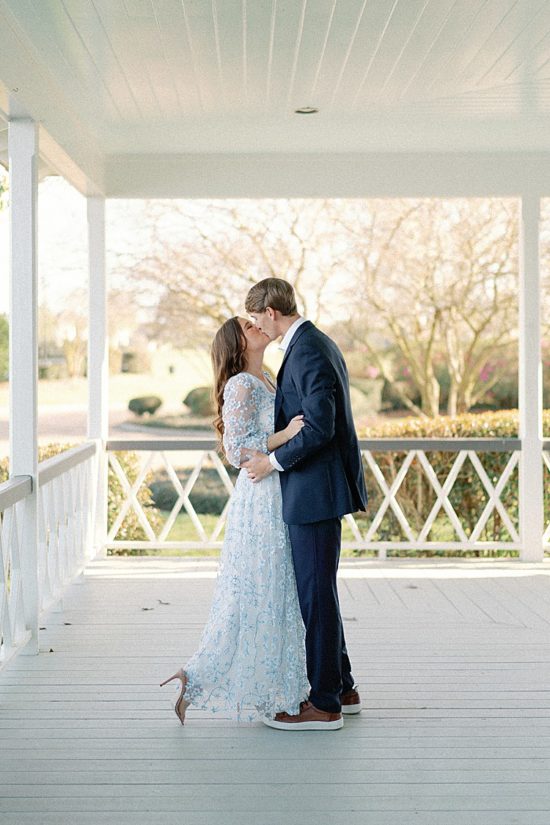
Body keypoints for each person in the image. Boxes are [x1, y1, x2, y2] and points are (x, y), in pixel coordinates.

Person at [160, 316, 309, 724]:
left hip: (277, 488)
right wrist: (284, 436)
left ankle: (205, 677)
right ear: (238, 344)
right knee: (262, 589)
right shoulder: (241, 384)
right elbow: (235, 449)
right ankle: (250, 686)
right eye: (248, 325)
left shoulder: (268, 379)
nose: (258, 325)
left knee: (274, 590)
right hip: (261, 495)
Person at [243, 277, 368, 731]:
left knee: (315, 597)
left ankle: (324, 705)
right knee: (320, 594)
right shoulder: (313, 343)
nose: (256, 325)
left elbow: (320, 427)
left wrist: (272, 462)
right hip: (316, 491)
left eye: (257, 316)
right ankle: (344, 688)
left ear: (271, 313)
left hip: (315, 492)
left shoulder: (309, 348)